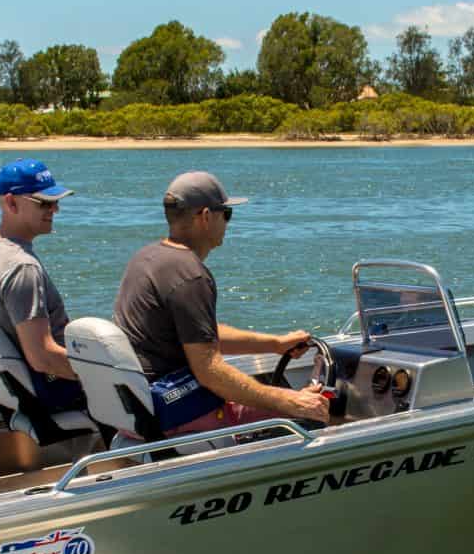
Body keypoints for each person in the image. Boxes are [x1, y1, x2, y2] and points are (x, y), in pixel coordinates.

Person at [113, 170, 329, 436]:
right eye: (226, 214)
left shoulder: (145, 258)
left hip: (142, 407)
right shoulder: (191, 276)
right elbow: (209, 372)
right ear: (205, 217)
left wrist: (275, 344)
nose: (228, 222)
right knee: (310, 411)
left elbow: (202, 336)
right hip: (177, 412)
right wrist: (291, 401)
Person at [0, 158, 84, 412]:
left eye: (57, 202)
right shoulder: (21, 267)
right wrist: (99, 374)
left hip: (26, 391)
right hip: (58, 389)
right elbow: (42, 357)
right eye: (44, 203)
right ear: (10, 202)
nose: (55, 210)